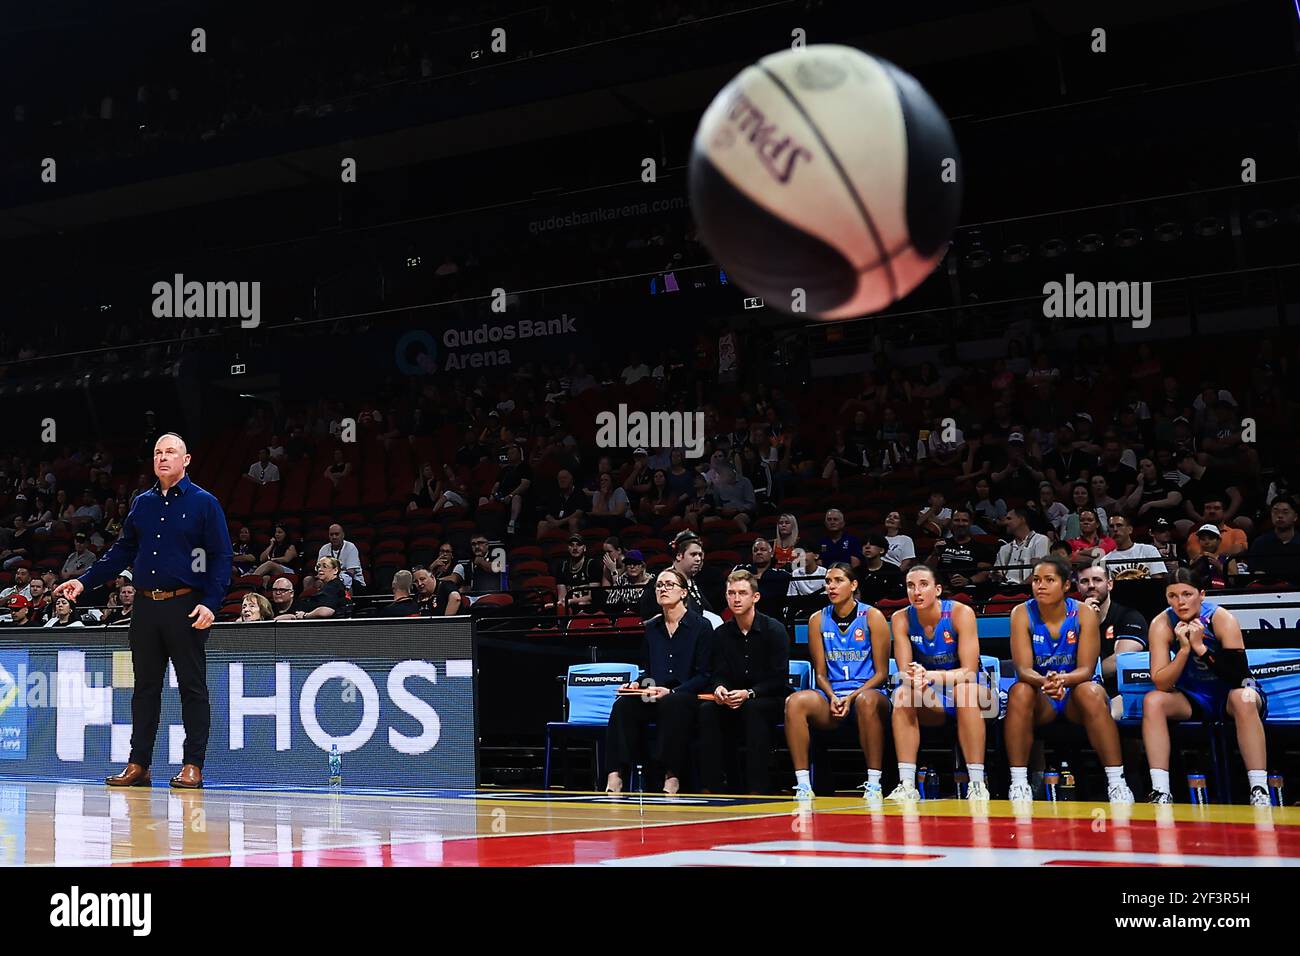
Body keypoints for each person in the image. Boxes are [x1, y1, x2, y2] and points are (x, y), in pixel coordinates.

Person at [55, 432, 232, 790]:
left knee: (192, 688)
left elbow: (222, 556)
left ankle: (193, 765)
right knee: (144, 689)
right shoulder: (142, 503)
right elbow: (121, 552)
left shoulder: (205, 503)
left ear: (187, 460)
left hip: (186, 604)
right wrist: (84, 582)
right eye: (157, 453)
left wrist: (211, 603)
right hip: (145, 606)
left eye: (171, 452)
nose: (163, 458)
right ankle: (139, 764)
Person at [1003, 556, 1134, 803]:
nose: (1040, 585)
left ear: (1065, 585)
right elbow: (1023, 669)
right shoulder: (1021, 613)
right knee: (1019, 691)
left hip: (1076, 694)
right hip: (1042, 695)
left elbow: (1086, 669)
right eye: (1037, 580)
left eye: (1049, 580)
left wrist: (1061, 680)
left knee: (1092, 691)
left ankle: (1117, 782)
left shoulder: (1083, 612)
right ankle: (1019, 783)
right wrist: (1046, 683)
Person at [1141, 568, 1271, 806]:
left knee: (1244, 698)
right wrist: (1183, 651)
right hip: (1194, 695)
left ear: (1201, 594)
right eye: (1173, 596)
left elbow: (1238, 676)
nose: (1180, 602)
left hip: (1232, 692)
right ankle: (1161, 791)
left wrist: (1201, 647)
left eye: (1187, 594)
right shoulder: (1161, 623)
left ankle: (1259, 788)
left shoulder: (1222, 618)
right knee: (1153, 701)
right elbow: (1161, 681)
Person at [783, 564, 892, 801]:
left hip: (869, 692)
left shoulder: (872, 616)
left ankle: (873, 784)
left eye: (838, 580)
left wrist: (851, 697)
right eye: (827, 581)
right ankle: (803, 785)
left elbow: (882, 673)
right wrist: (833, 696)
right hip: (832, 695)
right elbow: (820, 673)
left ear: (853, 585)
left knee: (865, 701)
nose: (830, 586)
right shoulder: (816, 620)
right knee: (794, 702)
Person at [604, 569, 713, 796]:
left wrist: (672, 690)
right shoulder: (652, 628)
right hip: (653, 692)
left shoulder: (701, 626)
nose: (662, 589)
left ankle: (671, 775)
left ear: (683, 592)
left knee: (673, 703)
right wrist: (637, 685)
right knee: (623, 705)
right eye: (659, 585)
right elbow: (649, 673)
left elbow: (704, 675)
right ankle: (615, 775)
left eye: (669, 585)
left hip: (686, 694)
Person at [888, 565, 991, 802]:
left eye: (923, 585)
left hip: (974, 691)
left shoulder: (960, 613)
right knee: (903, 694)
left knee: (964, 691)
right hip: (931, 694)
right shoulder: (900, 618)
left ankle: (976, 784)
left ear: (938, 589)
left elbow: (969, 671)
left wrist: (930, 676)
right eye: (910, 586)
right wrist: (915, 678)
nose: (916, 591)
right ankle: (907, 784)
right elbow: (904, 671)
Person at [697, 570, 791, 794]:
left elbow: (779, 678)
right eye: (731, 593)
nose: (736, 599)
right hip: (734, 697)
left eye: (742, 593)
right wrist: (719, 688)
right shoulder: (720, 633)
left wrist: (749, 692)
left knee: (753, 709)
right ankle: (714, 786)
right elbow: (718, 672)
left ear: (755, 597)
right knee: (707, 710)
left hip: (769, 697)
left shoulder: (774, 629)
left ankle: (757, 787)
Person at [1076, 563, 1148, 712]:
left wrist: (1080, 673)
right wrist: (1087, 622)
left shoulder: (1130, 617)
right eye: (1084, 581)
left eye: (1097, 580)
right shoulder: (1071, 621)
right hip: (1079, 689)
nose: (1091, 585)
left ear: (1109, 584)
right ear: (1077, 587)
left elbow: (1120, 661)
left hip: (1119, 693)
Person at [1248, 495, 1300, 585]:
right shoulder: (1260, 543)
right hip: (1270, 591)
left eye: (1285, 512)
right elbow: (1257, 572)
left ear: (1295, 517)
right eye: (1275, 511)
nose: (1279, 515)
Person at [277, 556, 349, 619]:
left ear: (335, 570)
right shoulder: (330, 586)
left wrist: (305, 615)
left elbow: (326, 611)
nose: (320, 569)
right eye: (318, 566)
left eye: (324, 566)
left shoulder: (333, 587)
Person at [992, 508, 1049, 586]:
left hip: (1028, 591)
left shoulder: (1040, 540)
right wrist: (996, 575)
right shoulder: (1004, 549)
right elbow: (995, 574)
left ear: (1022, 519)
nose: (1005, 522)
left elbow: (1041, 572)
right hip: (1004, 591)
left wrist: (1020, 587)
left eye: (1009, 518)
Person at [1103, 514, 1170, 578]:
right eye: (1111, 526)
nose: (1115, 529)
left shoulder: (1149, 550)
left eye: (1119, 525)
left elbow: (1158, 580)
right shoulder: (1105, 560)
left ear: (1130, 529)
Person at [856, 533, 904, 604]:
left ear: (882, 550)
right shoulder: (856, 571)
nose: (867, 547)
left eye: (872, 544)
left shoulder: (893, 570)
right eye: (864, 544)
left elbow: (899, 594)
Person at [318, 525, 365, 592]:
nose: (334, 537)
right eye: (331, 534)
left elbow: (350, 573)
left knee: (344, 583)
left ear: (343, 535)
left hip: (351, 581)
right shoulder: (324, 549)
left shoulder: (350, 547)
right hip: (329, 581)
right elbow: (321, 571)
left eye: (337, 534)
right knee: (308, 580)